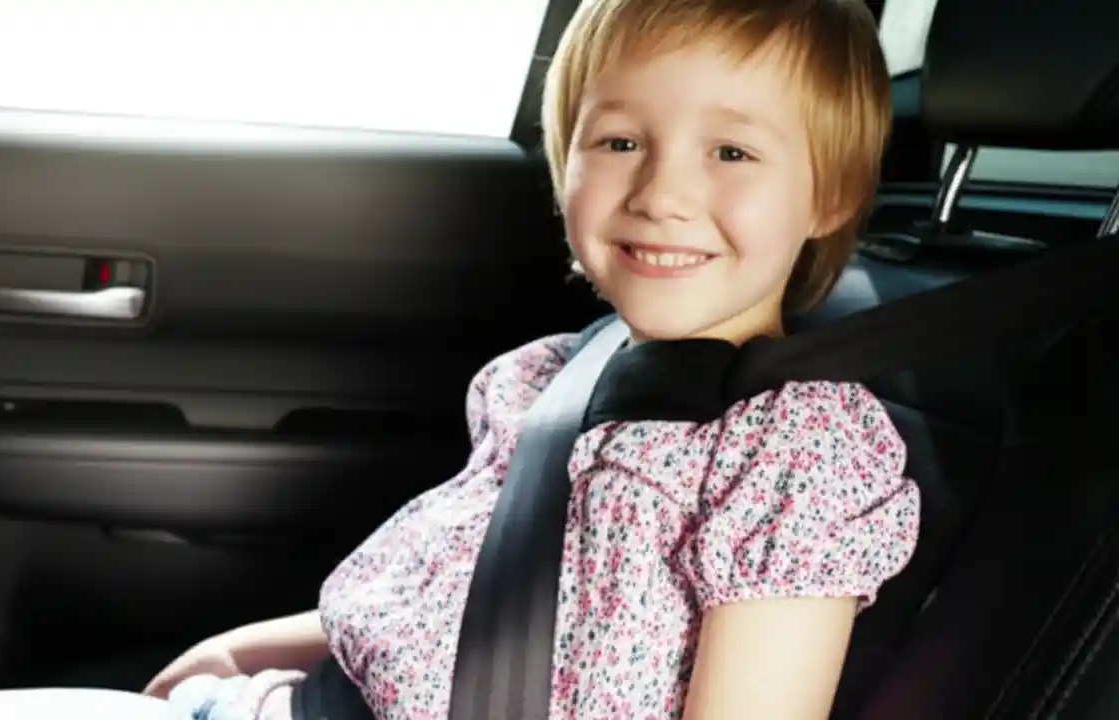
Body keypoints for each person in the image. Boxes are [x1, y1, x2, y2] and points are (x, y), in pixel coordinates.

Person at [143, 0, 921, 718]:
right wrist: (241, 650)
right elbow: (444, 606)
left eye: (731, 150)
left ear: (832, 194)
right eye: (620, 141)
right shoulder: (558, 375)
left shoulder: (798, 448)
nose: (661, 191)